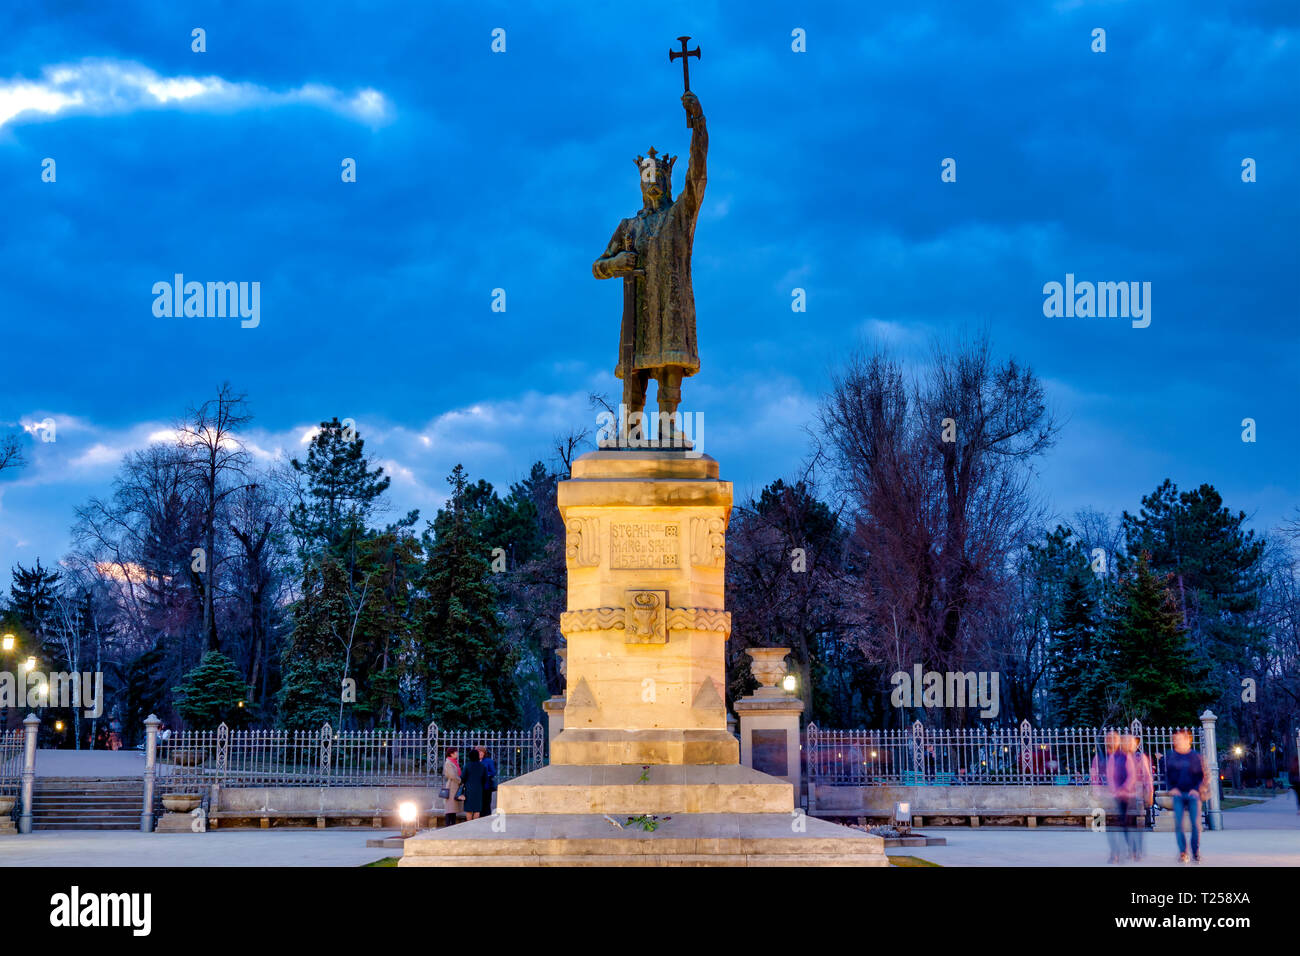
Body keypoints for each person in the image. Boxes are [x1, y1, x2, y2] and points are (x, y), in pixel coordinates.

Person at [1165, 730, 1208, 864]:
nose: (1175, 742)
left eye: (1178, 739)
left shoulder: (1196, 756)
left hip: (1193, 795)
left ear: (1187, 740)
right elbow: (1168, 775)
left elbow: (1203, 776)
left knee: (1195, 825)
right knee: (1179, 824)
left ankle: (1195, 851)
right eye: (1174, 739)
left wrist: (1197, 789)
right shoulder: (1171, 756)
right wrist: (1172, 788)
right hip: (1178, 794)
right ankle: (1183, 852)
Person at [1093, 731, 1136, 864]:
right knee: (1109, 826)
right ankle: (1115, 853)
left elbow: (1131, 775)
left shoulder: (1124, 755)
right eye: (1109, 738)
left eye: (1114, 738)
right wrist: (1096, 789)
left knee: (1123, 824)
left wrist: (1124, 789)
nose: (1111, 740)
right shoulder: (1100, 756)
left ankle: (1130, 849)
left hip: (1122, 795)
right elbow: (1094, 773)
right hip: (1107, 795)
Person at [1126, 735, 1154, 861]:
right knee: (1127, 824)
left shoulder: (1140, 757)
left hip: (1138, 794)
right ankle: (1131, 849)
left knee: (1137, 824)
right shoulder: (1123, 758)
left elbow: (1147, 776)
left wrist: (1150, 792)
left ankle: (1137, 850)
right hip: (1125, 795)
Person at [461, 748, 487, 822]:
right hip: (479, 789)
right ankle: (475, 824)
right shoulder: (482, 766)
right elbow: (485, 778)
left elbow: (463, 777)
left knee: (469, 809)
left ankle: (469, 823)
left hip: (468, 789)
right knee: (477, 809)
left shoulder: (467, 765)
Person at [441, 747, 462, 828]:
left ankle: (452, 825)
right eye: (456, 752)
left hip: (455, 786)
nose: (457, 753)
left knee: (453, 808)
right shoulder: (448, 763)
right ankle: (448, 826)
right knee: (450, 808)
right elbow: (452, 775)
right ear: (451, 753)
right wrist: (460, 780)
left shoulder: (453, 762)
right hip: (451, 786)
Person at [478, 747, 497, 817]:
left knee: (486, 804)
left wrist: (484, 774)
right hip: (477, 787)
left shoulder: (489, 761)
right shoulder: (474, 761)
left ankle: (486, 819)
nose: (480, 753)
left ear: (484, 753)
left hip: (486, 786)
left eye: (481, 752)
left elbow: (493, 772)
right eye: (478, 752)